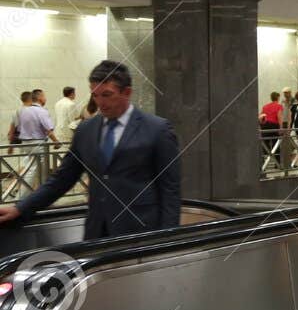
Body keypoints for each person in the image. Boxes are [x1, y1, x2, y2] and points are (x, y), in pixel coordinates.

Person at [0, 60, 180, 239]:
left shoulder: (158, 130)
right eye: (95, 95)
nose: (100, 102)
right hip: (96, 233)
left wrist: (169, 239)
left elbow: (170, 189)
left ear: (127, 92)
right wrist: (20, 207)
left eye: (107, 95)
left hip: (141, 232)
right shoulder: (86, 130)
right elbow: (62, 179)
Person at [259, 90, 286, 168]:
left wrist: (261, 126)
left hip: (265, 126)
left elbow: (261, 117)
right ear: (278, 97)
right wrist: (281, 128)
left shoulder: (265, 106)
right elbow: (279, 117)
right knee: (276, 145)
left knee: (264, 145)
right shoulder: (279, 106)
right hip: (274, 125)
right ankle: (278, 164)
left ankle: (263, 164)